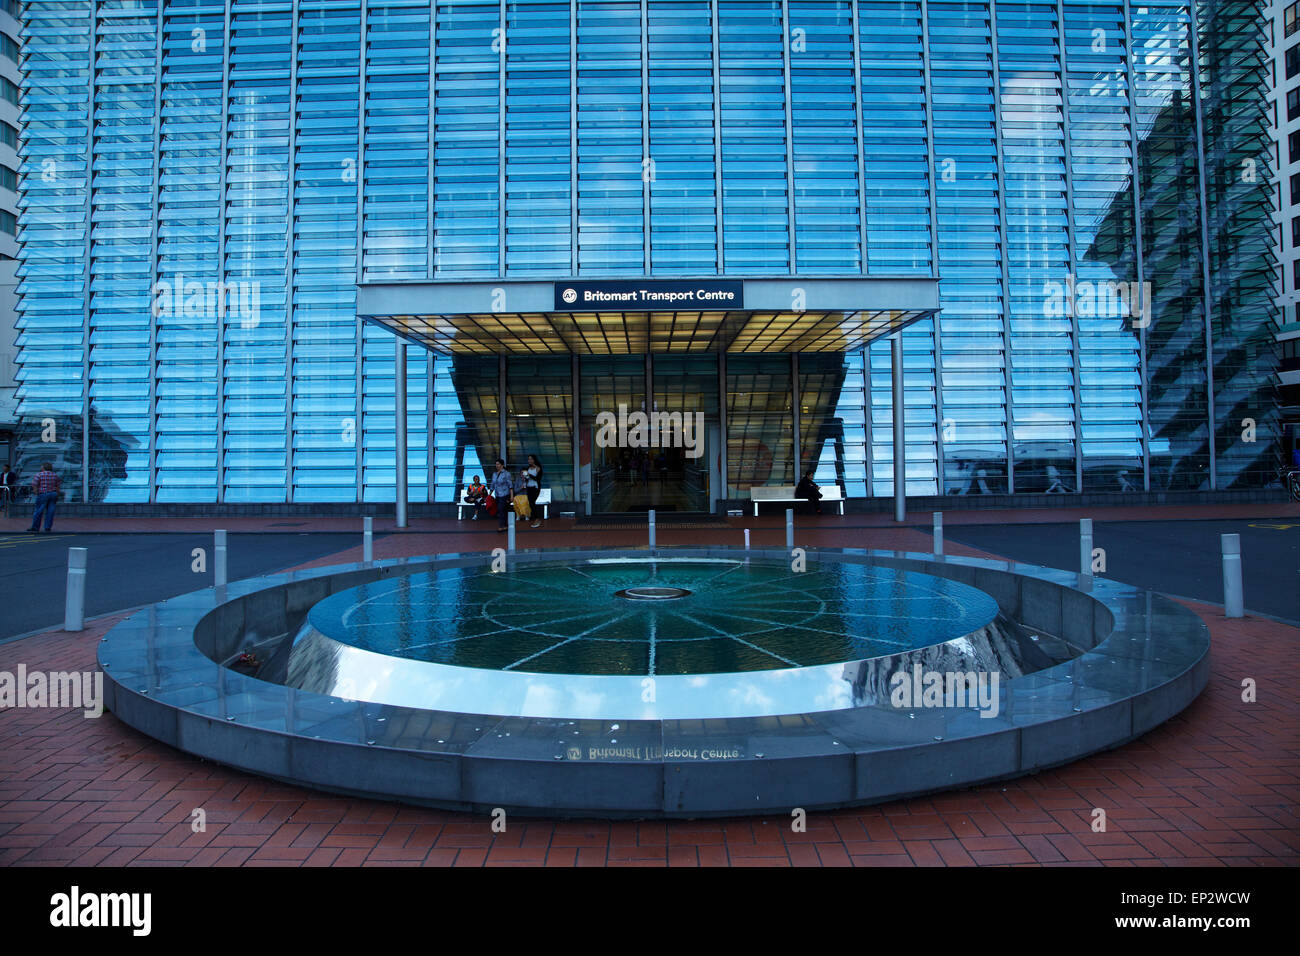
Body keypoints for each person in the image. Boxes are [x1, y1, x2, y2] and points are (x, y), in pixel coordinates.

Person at [28, 461, 62, 533]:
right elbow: (58, 486)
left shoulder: (39, 475)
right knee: (50, 511)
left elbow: (34, 484)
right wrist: (58, 494)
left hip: (43, 493)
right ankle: (47, 527)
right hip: (53, 494)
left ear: (43, 468)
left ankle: (35, 527)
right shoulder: (55, 475)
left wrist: (36, 492)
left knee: (38, 511)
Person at [489, 459, 513, 533]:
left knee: (501, 509)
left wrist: (512, 496)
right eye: (496, 464)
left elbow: (510, 485)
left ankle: (501, 525)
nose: (497, 466)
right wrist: (489, 494)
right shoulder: (494, 474)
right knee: (503, 510)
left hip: (505, 494)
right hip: (497, 495)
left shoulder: (506, 474)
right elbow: (492, 485)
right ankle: (505, 525)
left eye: (498, 464)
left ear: (502, 465)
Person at [523, 454, 544, 529]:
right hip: (529, 487)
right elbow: (527, 478)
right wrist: (525, 477)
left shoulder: (538, 468)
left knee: (532, 502)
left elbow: (537, 479)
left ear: (534, 460)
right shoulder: (528, 468)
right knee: (530, 503)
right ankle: (536, 518)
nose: (529, 461)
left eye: (531, 459)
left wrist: (529, 475)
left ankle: (537, 519)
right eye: (528, 459)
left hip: (535, 487)